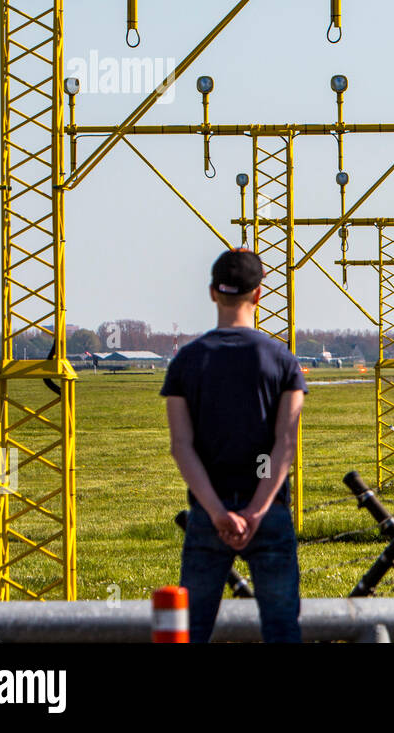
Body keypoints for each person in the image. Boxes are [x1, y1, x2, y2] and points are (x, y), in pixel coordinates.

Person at [161, 248, 307, 643]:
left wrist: (217, 511)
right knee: (282, 629)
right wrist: (256, 511)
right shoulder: (282, 362)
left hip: (209, 514)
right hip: (269, 512)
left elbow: (181, 446)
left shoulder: (186, 362)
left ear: (212, 293)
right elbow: (284, 445)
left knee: (188, 632)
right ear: (258, 294)